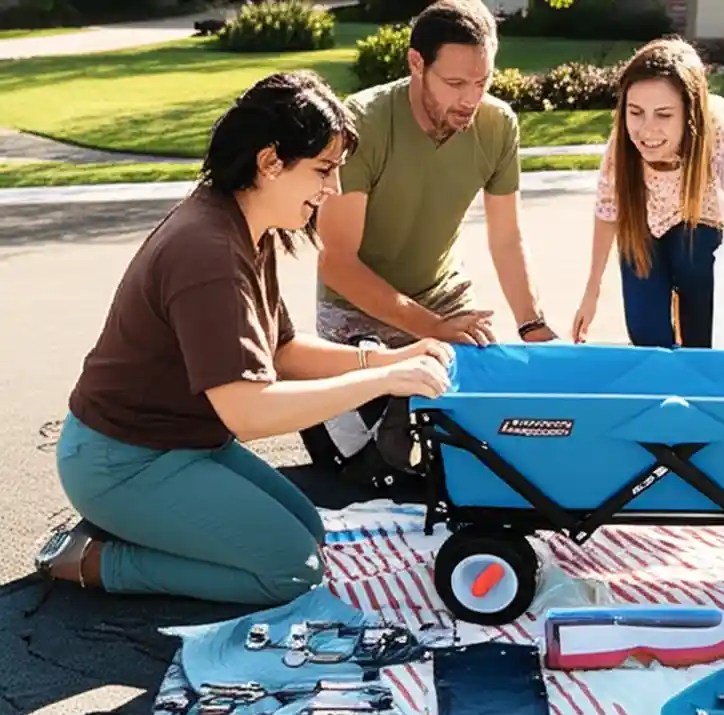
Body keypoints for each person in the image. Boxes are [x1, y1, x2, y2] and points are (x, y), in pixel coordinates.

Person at [33, 70, 455, 606]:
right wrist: (381, 380)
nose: (335, 190)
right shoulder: (207, 251)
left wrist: (385, 358)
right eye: (324, 170)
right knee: (290, 571)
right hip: (122, 462)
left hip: (184, 446)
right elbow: (248, 412)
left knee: (310, 532)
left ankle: (145, 522)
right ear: (270, 161)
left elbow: (282, 352)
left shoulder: (247, 226)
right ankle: (94, 559)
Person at [315, 0, 554, 349]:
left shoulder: (497, 125)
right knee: (385, 399)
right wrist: (431, 327)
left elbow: (507, 239)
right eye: (455, 83)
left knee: (480, 397)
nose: (470, 99)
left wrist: (532, 325)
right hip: (355, 310)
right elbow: (337, 262)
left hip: (444, 300)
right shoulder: (362, 123)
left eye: (482, 81)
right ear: (416, 63)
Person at [571, 37, 724, 349]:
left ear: (690, 114)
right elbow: (608, 210)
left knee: (700, 344)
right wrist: (590, 293)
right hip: (649, 237)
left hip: (708, 247)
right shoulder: (621, 144)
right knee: (649, 340)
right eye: (635, 112)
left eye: (663, 114)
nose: (647, 130)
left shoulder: (721, 137)